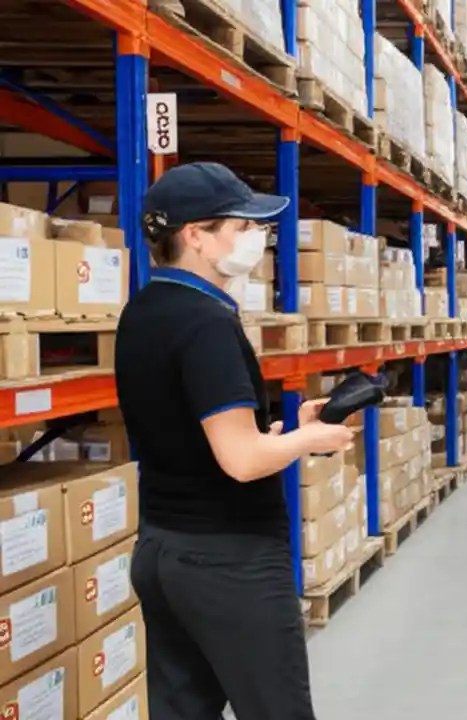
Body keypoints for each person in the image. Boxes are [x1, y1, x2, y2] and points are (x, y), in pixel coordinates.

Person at [114, 162, 354, 719]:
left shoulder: (143, 312)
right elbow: (242, 461)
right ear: (195, 235)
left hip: (161, 551)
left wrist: (286, 435)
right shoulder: (208, 324)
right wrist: (307, 440)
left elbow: (194, 431)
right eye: (240, 226)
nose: (256, 238)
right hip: (229, 562)